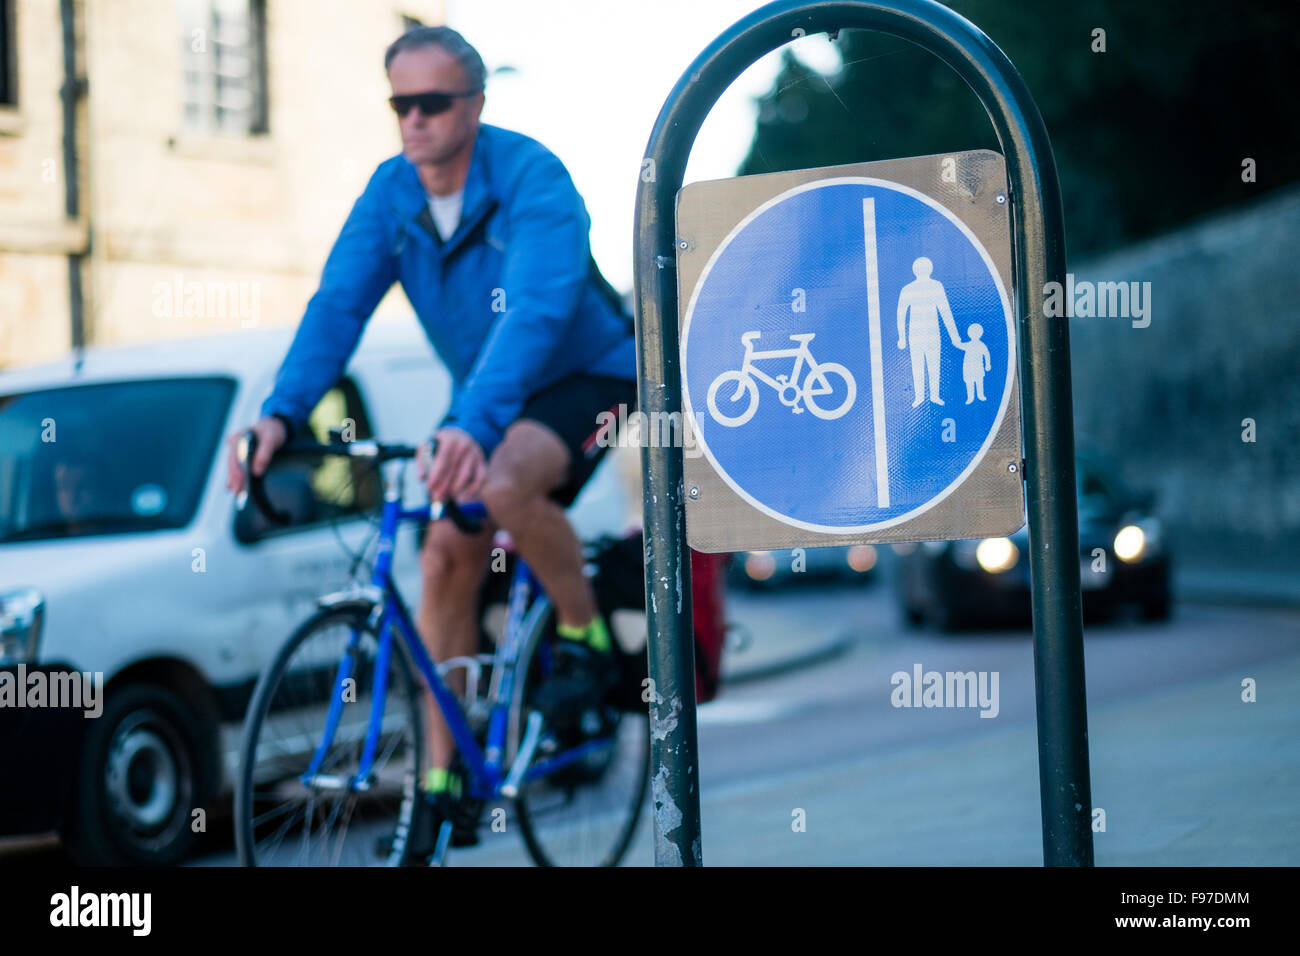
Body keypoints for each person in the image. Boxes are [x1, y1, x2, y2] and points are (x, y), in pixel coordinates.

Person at [223, 25, 637, 858]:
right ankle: (438, 789)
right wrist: (281, 414)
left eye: (432, 103)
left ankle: (589, 640)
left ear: (475, 104)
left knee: (506, 481)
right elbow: (337, 309)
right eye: (399, 105)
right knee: (446, 552)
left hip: (589, 376)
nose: (414, 121)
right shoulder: (391, 195)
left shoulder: (532, 178)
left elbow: (536, 313)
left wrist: (469, 427)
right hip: (487, 390)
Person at [956, 322, 991, 403]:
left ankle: (980, 395)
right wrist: (955, 341)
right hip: (968, 369)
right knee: (969, 383)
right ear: (969, 334)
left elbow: (987, 354)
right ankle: (970, 398)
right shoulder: (968, 345)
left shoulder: (981, 345)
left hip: (978, 368)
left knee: (979, 381)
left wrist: (988, 364)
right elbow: (960, 345)